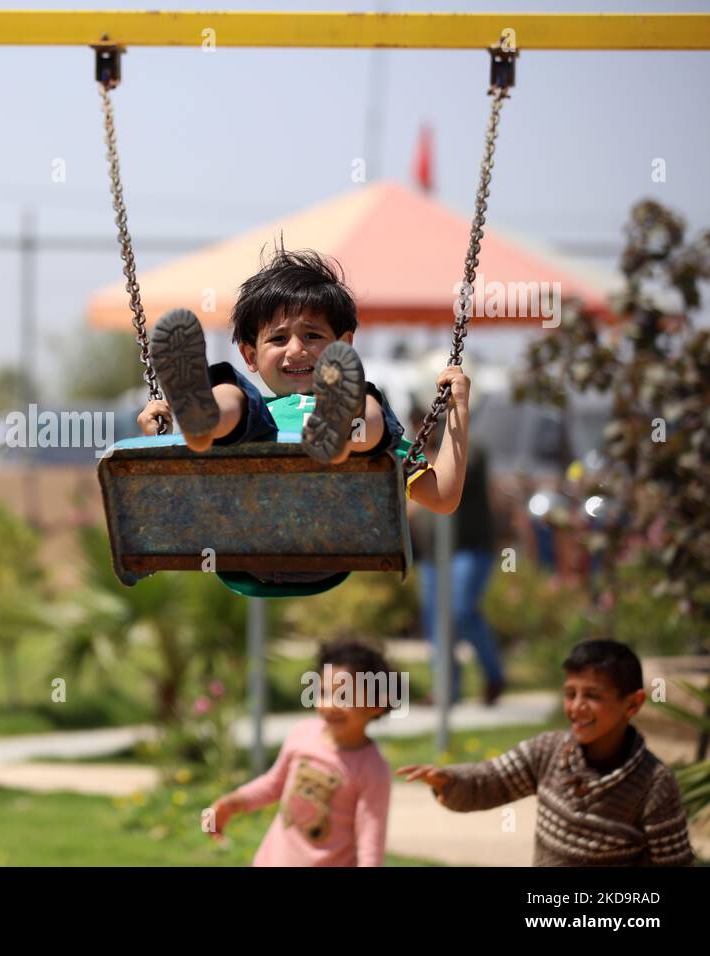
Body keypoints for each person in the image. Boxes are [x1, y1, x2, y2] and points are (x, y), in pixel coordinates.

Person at [136, 248, 469, 598]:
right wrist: (157, 442)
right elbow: (173, 498)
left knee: (367, 402)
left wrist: (459, 408)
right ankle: (204, 418)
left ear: (344, 345)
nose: (296, 350)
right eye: (278, 339)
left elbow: (442, 495)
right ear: (251, 355)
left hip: (322, 544)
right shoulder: (258, 411)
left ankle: (340, 428)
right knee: (234, 394)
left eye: (312, 336)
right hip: (252, 544)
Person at [398, 639, 695, 866]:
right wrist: (449, 781)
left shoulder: (654, 785)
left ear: (632, 704)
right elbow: (493, 779)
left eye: (592, 696)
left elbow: (675, 864)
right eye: (570, 694)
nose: (577, 706)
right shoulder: (549, 752)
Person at [207, 641, 396, 866]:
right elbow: (273, 784)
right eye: (323, 693)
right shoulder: (303, 734)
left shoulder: (372, 769)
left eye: (344, 696)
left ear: (376, 705)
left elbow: (370, 842)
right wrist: (232, 803)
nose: (329, 705)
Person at [408, 406, 506, 706]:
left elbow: (454, 472)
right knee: (436, 621)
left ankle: (493, 674)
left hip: (469, 550)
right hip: (431, 556)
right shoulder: (416, 453)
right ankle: (446, 689)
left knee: (462, 611)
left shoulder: (470, 449)